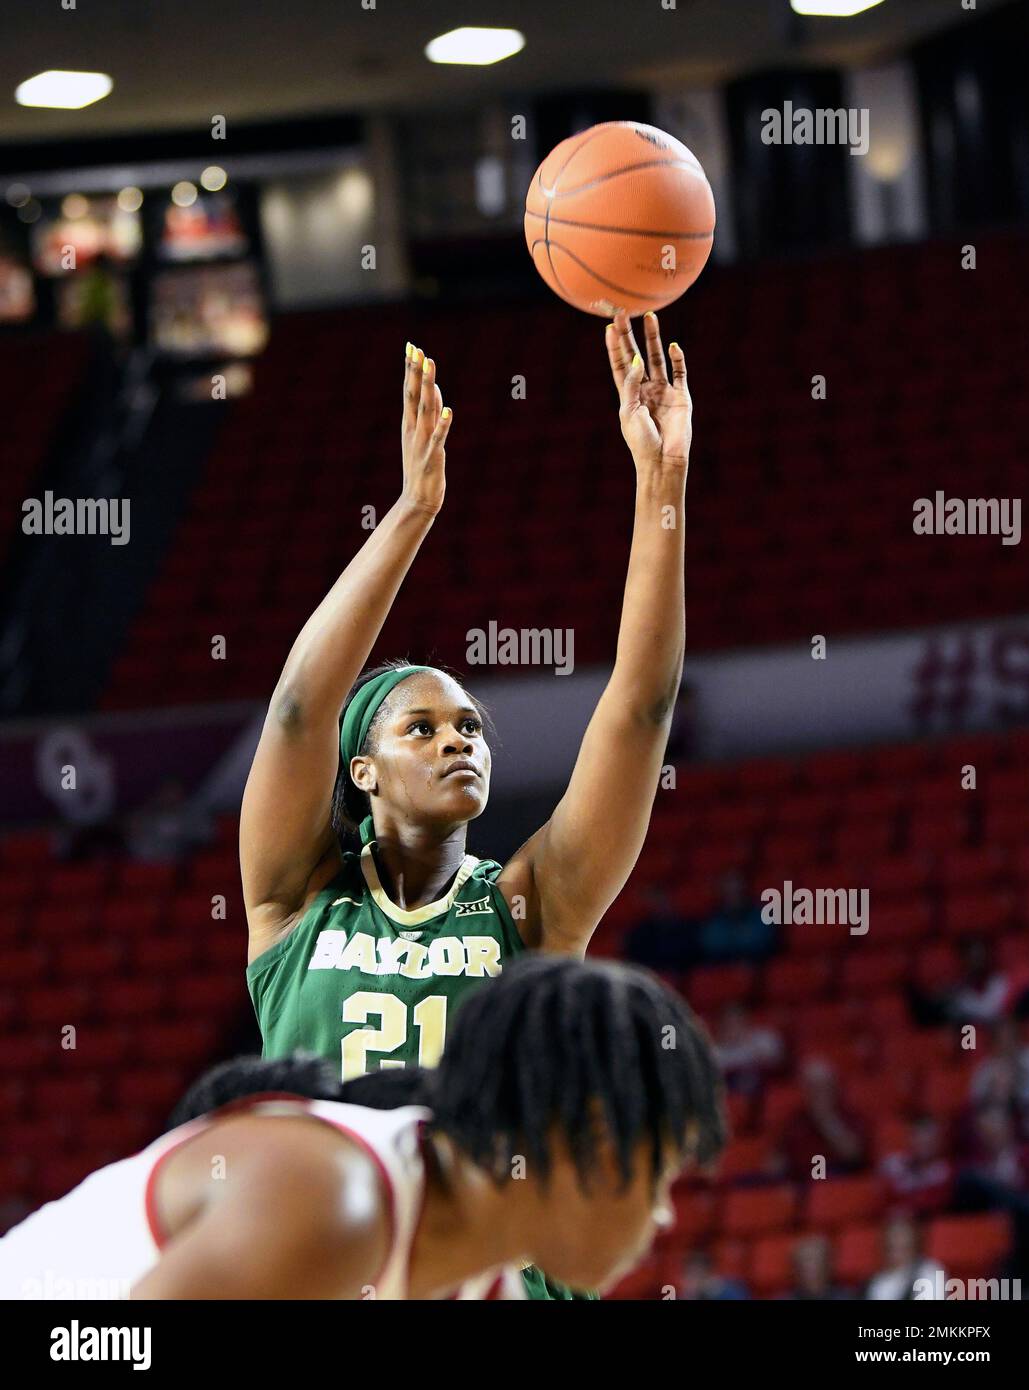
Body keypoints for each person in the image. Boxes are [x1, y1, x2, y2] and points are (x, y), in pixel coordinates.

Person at [240, 311, 694, 1299]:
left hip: (499, 1277)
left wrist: (661, 485)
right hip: (334, 1268)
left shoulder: (527, 904)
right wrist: (410, 514)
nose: (460, 739)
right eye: (422, 728)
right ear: (360, 771)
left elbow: (641, 704)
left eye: (472, 726)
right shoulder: (293, 900)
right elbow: (295, 711)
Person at [0, 956, 726, 1300]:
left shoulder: (481, 1280)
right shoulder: (331, 1197)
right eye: (657, 1172)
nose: (662, 1213)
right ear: (574, 1140)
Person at [864, 1215, 945, 1300]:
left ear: (915, 1242)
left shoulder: (929, 1271)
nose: (896, 1241)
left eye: (902, 1238)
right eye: (892, 1241)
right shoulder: (878, 1280)